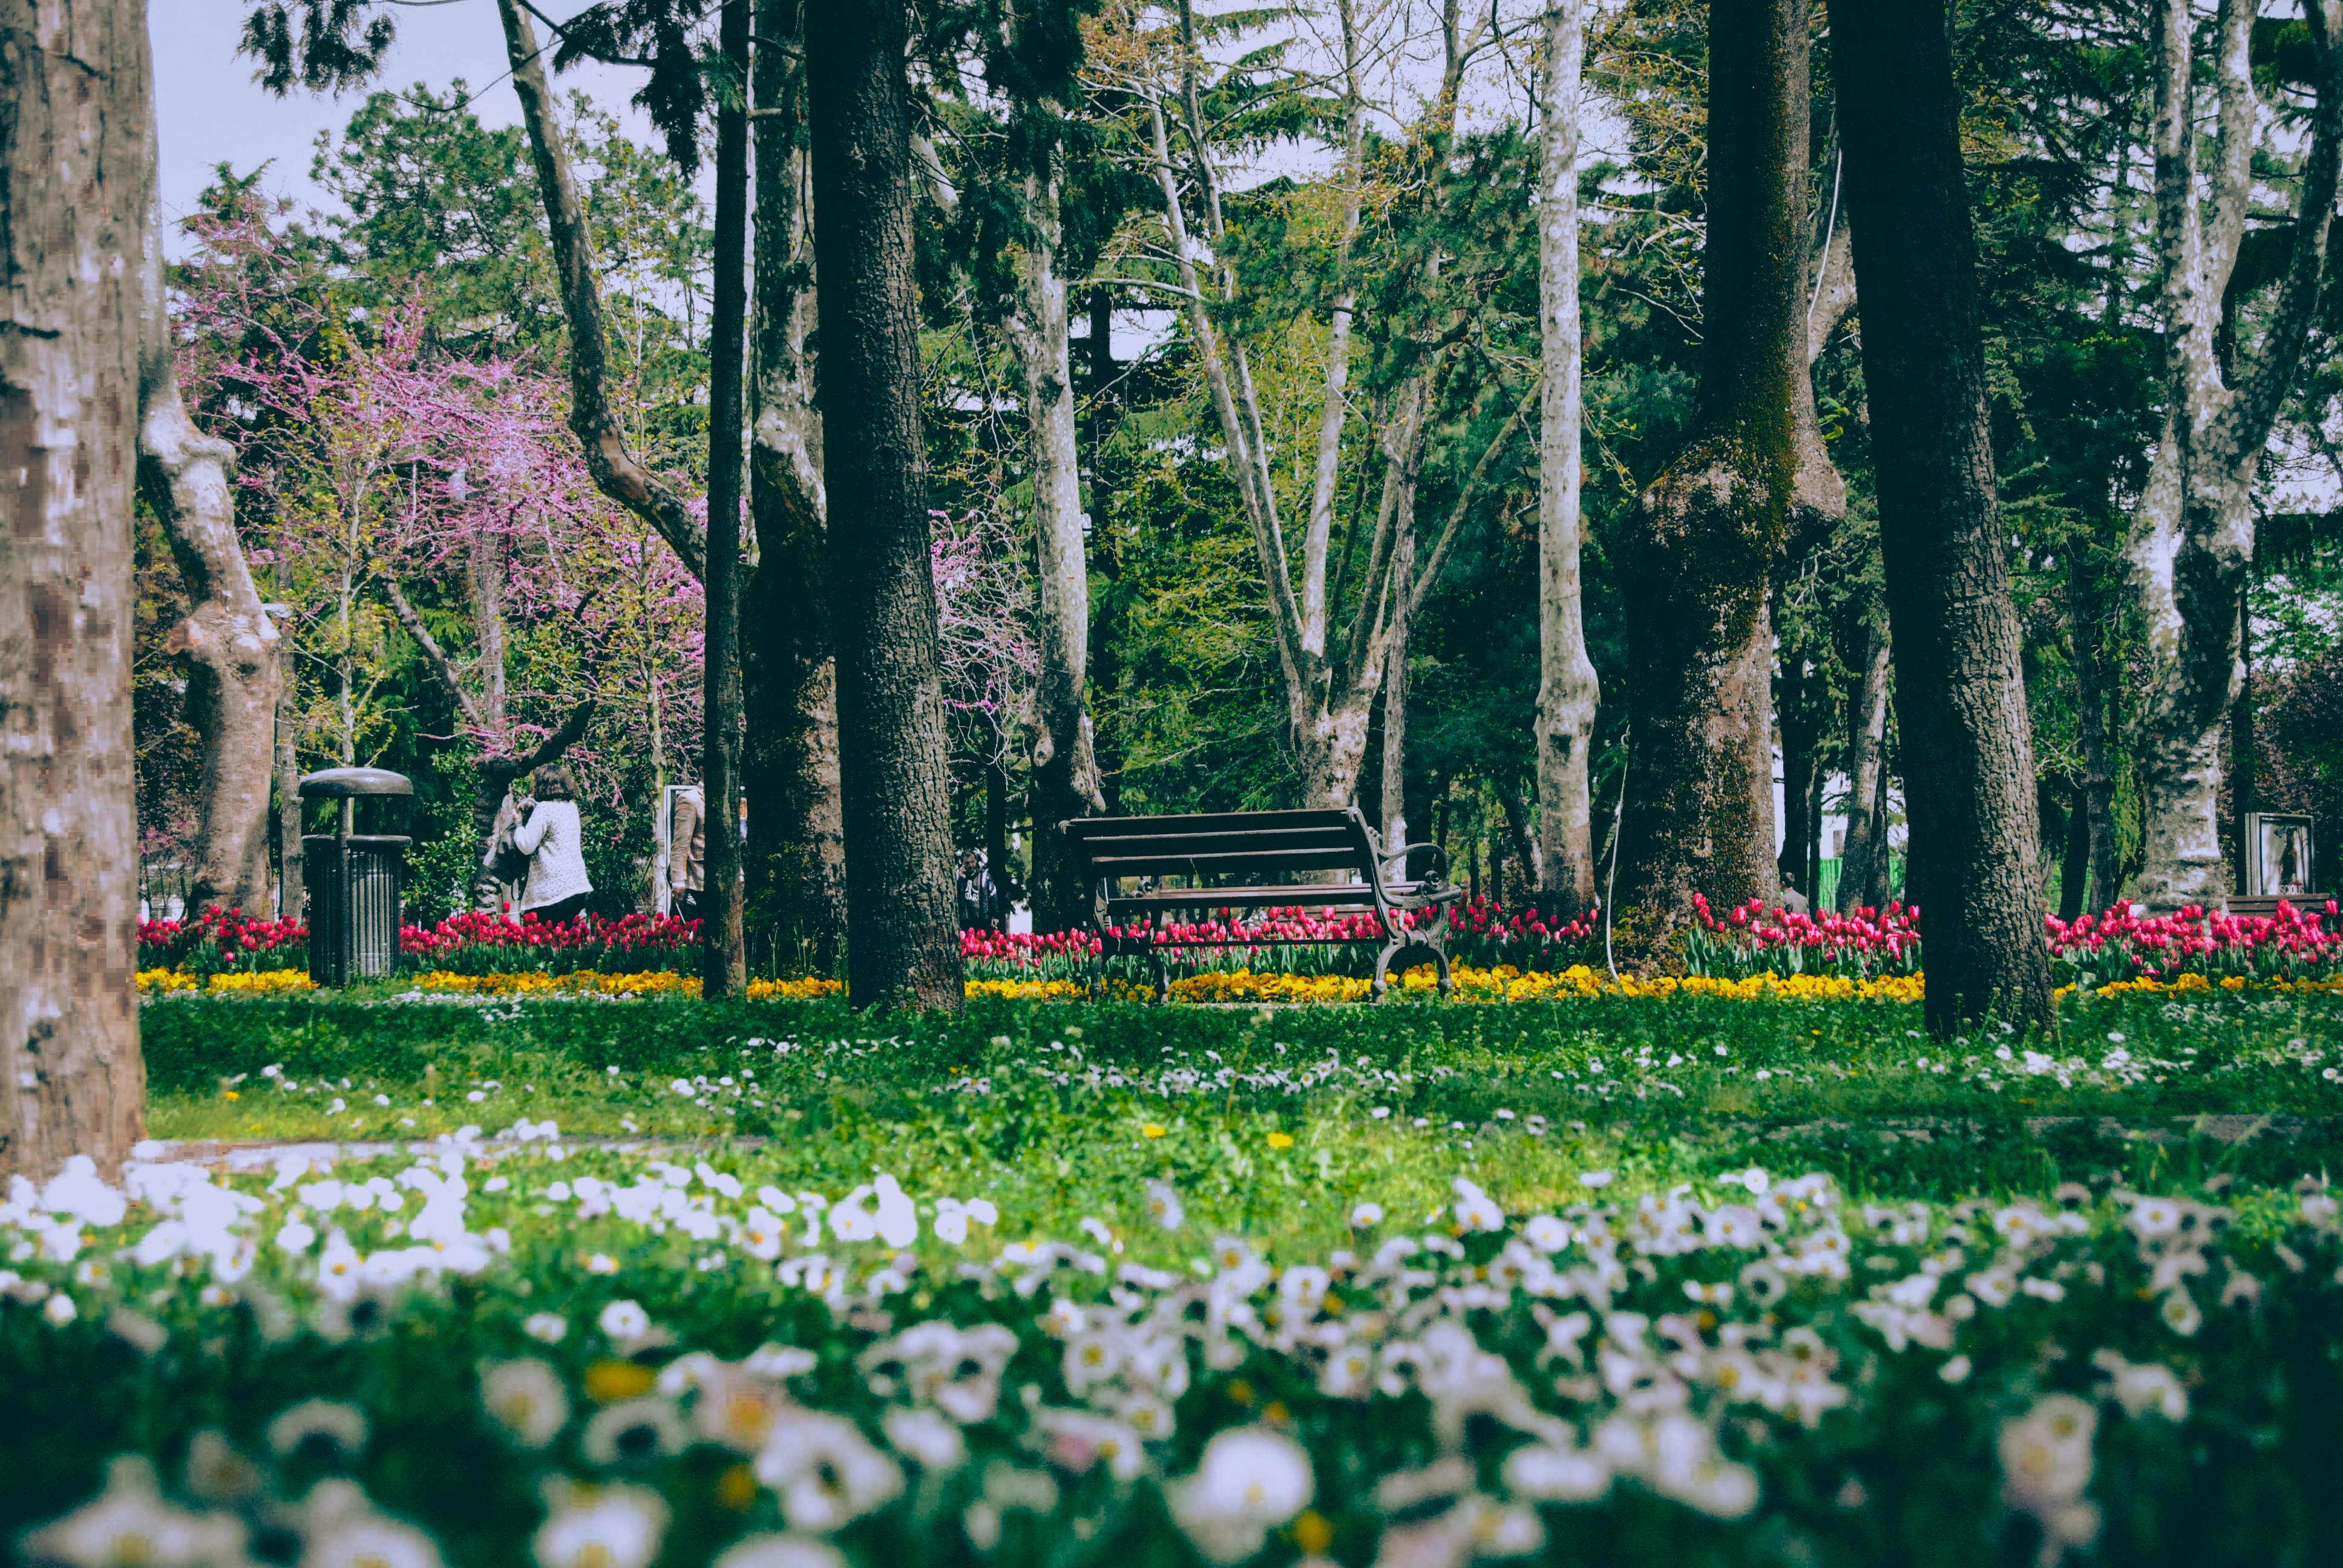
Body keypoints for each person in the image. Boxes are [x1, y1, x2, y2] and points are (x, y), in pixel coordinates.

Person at [512, 763, 594, 926]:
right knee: (569, 943)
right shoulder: (571, 807)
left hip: (551, 893)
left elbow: (527, 845)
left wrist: (519, 824)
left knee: (545, 945)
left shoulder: (545, 809)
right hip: (576, 887)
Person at [669, 783, 706, 922]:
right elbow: (680, 844)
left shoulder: (728, 799)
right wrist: (678, 881)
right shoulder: (690, 799)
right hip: (696, 879)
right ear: (702, 770)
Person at [957, 850, 1001, 932]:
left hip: (983, 920)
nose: (970, 865)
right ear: (962, 863)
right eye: (967, 863)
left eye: (972, 862)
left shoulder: (984, 876)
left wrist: (995, 916)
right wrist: (961, 881)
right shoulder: (958, 878)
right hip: (965, 922)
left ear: (976, 861)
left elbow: (993, 896)